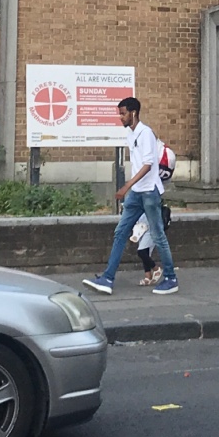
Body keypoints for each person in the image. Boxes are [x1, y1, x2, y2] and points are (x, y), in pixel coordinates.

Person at [83, 97, 177, 295]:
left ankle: (170, 278)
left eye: (123, 113)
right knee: (120, 232)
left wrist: (127, 185)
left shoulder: (145, 134)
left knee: (158, 235)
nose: (120, 117)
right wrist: (132, 189)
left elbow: (148, 164)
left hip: (149, 192)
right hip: (136, 193)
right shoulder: (130, 134)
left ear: (133, 113)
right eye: (120, 113)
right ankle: (108, 278)